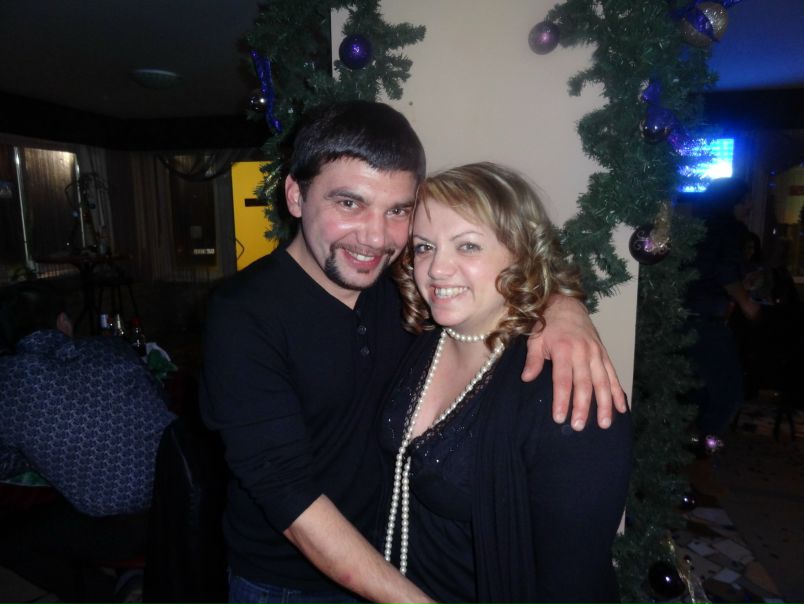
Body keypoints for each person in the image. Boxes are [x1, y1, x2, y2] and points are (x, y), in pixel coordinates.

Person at [200, 101, 628, 603]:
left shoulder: (404, 292)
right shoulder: (244, 316)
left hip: (394, 564)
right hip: (289, 583)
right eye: (349, 203)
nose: (375, 238)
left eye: (398, 211)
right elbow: (289, 496)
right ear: (295, 195)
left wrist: (562, 307)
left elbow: (491, 272)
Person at [379, 162, 632, 603]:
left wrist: (561, 303)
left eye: (468, 246)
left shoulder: (569, 396)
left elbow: (571, 586)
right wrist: (562, 303)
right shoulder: (417, 339)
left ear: (521, 252)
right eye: (424, 247)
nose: (437, 269)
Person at [0, 282, 175, 603]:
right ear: (63, 322)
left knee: (10, 539)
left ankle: (104, 594)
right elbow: (162, 402)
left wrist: (32, 444)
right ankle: (131, 580)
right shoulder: (112, 349)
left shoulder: (8, 382)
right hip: (180, 502)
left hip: (117, 527)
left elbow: (5, 465)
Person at [685, 177, 759, 438]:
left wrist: (740, 285)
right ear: (733, 201)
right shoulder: (731, 229)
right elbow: (725, 272)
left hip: (686, 318)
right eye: (746, 200)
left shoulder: (700, 226)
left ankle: (691, 447)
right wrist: (747, 303)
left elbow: (708, 272)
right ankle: (703, 449)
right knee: (729, 393)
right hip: (708, 322)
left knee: (698, 392)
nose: (750, 206)